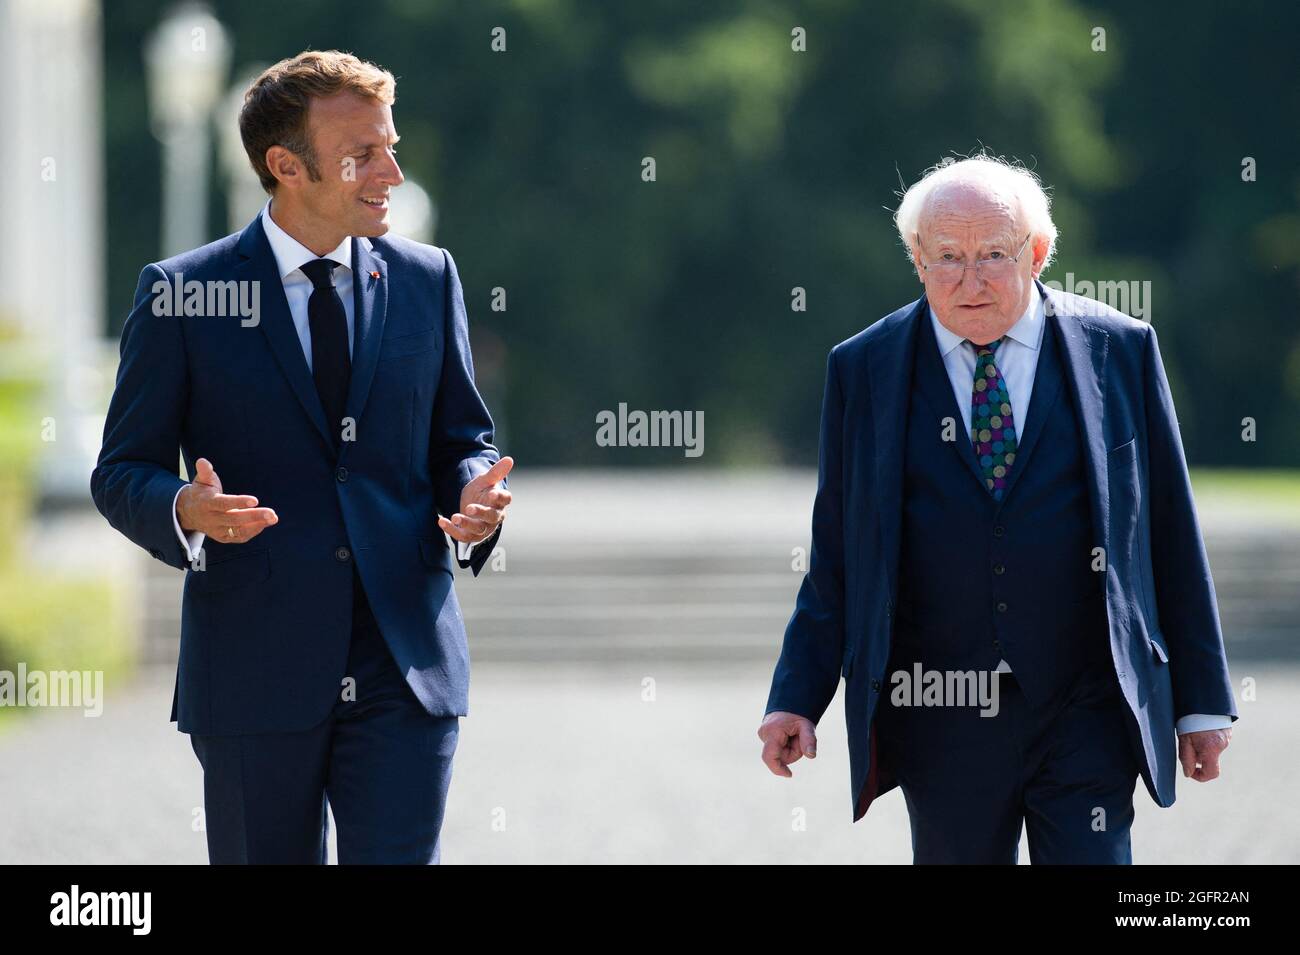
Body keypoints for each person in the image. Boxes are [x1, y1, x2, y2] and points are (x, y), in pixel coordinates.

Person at [91, 50, 511, 863]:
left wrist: (473, 498)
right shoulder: (181, 294)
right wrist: (183, 506)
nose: (390, 171)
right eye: (363, 153)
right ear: (286, 166)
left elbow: (463, 439)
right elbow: (120, 471)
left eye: (391, 145)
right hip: (253, 666)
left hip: (405, 663)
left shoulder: (430, 279)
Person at [758, 155, 1235, 864]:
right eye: (946, 256)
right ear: (917, 260)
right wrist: (796, 694)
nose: (968, 279)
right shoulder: (863, 368)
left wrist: (1201, 699)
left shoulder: (1120, 350)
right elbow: (837, 554)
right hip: (939, 711)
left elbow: (1169, 531)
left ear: (1037, 253)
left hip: (1087, 704)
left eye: (992, 255)